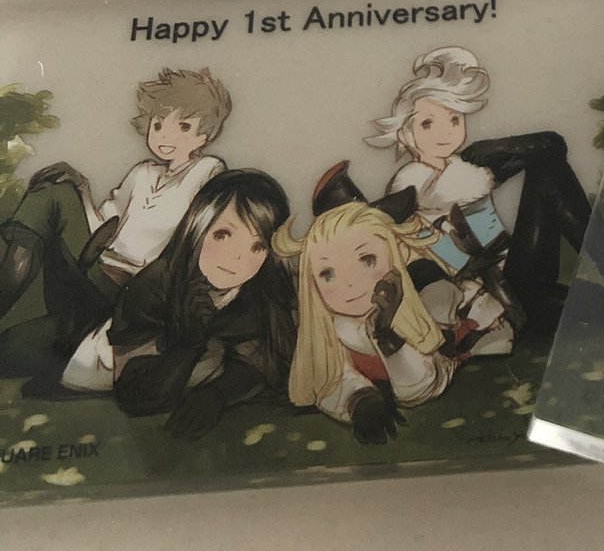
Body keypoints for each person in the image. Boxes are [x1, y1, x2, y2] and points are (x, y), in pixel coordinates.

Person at [366, 46, 604, 328]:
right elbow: (481, 178)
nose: (446, 131)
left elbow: (551, 144)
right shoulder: (411, 181)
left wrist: (493, 148)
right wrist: (494, 148)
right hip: (484, 295)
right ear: (406, 134)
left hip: (513, 274)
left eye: (454, 119)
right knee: (546, 171)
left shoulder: (463, 162)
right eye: (428, 123)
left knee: (547, 170)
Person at [0, 67, 230, 377]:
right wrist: (82, 190)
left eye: (184, 126)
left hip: (131, 294)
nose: (166, 136)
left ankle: (75, 339)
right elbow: (102, 227)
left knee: (12, 349)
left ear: (206, 135)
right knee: (56, 190)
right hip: (93, 274)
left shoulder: (207, 170)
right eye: (158, 124)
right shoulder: (142, 173)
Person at [60, 169, 295, 439]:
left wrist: (216, 395)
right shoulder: (154, 286)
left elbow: (261, 363)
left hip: (200, 365)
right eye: (222, 235)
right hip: (107, 366)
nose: (237, 258)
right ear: (197, 226)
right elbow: (136, 395)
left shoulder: (255, 291)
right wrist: (189, 343)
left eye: (257, 246)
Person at [274, 200, 454, 444]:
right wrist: (359, 401)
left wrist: (386, 335)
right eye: (327, 274)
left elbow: (422, 387)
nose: (350, 284)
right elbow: (328, 383)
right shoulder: (330, 333)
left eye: (367, 260)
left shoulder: (416, 315)